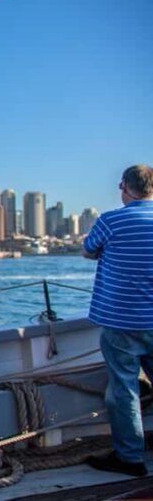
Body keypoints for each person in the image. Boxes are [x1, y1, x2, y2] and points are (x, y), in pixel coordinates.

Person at [83, 164, 153, 477]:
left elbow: (88, 250)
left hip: (122, 322)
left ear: (124, 187)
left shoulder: (111, 221)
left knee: (124, 390)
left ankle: (130, 457)